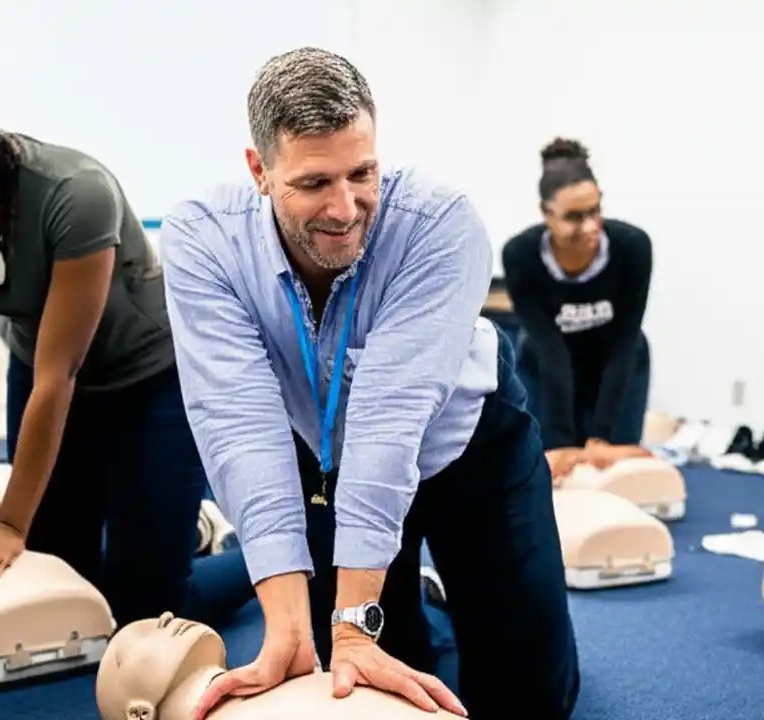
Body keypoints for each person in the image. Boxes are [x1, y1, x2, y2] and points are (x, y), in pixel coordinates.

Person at [159, 47, 580, 720]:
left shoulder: (440, 224)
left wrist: (352, 624)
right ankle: (416, 608)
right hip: (324, 451)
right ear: (258, 171)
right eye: (314, 183)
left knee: (529, 695)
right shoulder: (202, 240)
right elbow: (239, 423)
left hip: (467, 442)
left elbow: (392, 416)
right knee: (376, 671)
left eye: (362, 173)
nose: (346, 207)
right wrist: (291, 630)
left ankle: (431, 598)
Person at [0, 82, 253, 628]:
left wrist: (11, 527)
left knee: (145, 609)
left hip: (151, 382)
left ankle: (268, 557)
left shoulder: (76, 192)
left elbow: (58, 373)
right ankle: (176, 529)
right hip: (43, 372)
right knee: (56, 580)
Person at [502, 139, 653, 452]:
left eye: (595, 211)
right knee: (548, 467)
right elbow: (550, 350)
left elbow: (624, 343)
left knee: (612, 466)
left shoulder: (633, 247)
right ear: (547, 214)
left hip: (618, 364)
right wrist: (559, 442)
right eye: (573, 217)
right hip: (546, 368)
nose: (589, 226)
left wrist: (603, 435)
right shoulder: (520, 255)